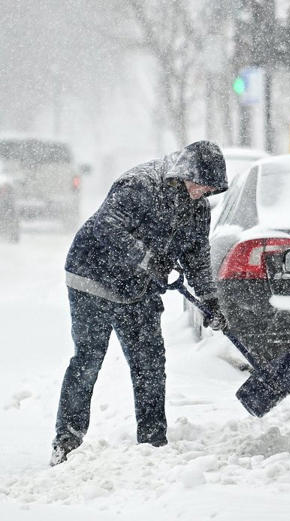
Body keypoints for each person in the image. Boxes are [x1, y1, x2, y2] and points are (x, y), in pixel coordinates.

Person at [51, 141, 229, 466]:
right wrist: (147, 259)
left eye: (209, 188)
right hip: (92, 275)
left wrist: (210, 299)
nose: (202, 191)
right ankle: (66, 441)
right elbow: (108, 227)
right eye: (199, 183)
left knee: (149, 362)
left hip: (136, 288)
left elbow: (197, 257)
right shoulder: (141, 184)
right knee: (89, 358)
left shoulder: (197, 209)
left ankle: (153, 443)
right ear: (184, 173)